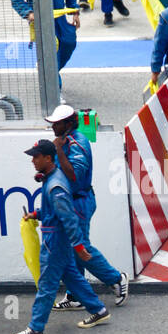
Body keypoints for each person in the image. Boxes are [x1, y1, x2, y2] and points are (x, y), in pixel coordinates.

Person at [10, 139, 110, 334]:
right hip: (57, 239)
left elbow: (69, 218)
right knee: (72, 277)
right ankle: (98, 310)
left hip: (55, 242)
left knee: (47, 285)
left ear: (48, 158)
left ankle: (36, 327)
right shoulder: (52, 179)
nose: (33, 161)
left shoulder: (55, 185)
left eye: (36, 157)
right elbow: (54, 212)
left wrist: (79, 246)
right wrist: (36, 214)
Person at [44, 104, 129, 310]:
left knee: (80, 247)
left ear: (68, 124)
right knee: (72, 249)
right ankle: (75, 295)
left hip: (80, 201)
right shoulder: (64, 140)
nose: (53, 127)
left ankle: (117, 279)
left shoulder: (78, 142)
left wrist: (58, 150)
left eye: (56, 124)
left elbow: (74, 175)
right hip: (71, 200)